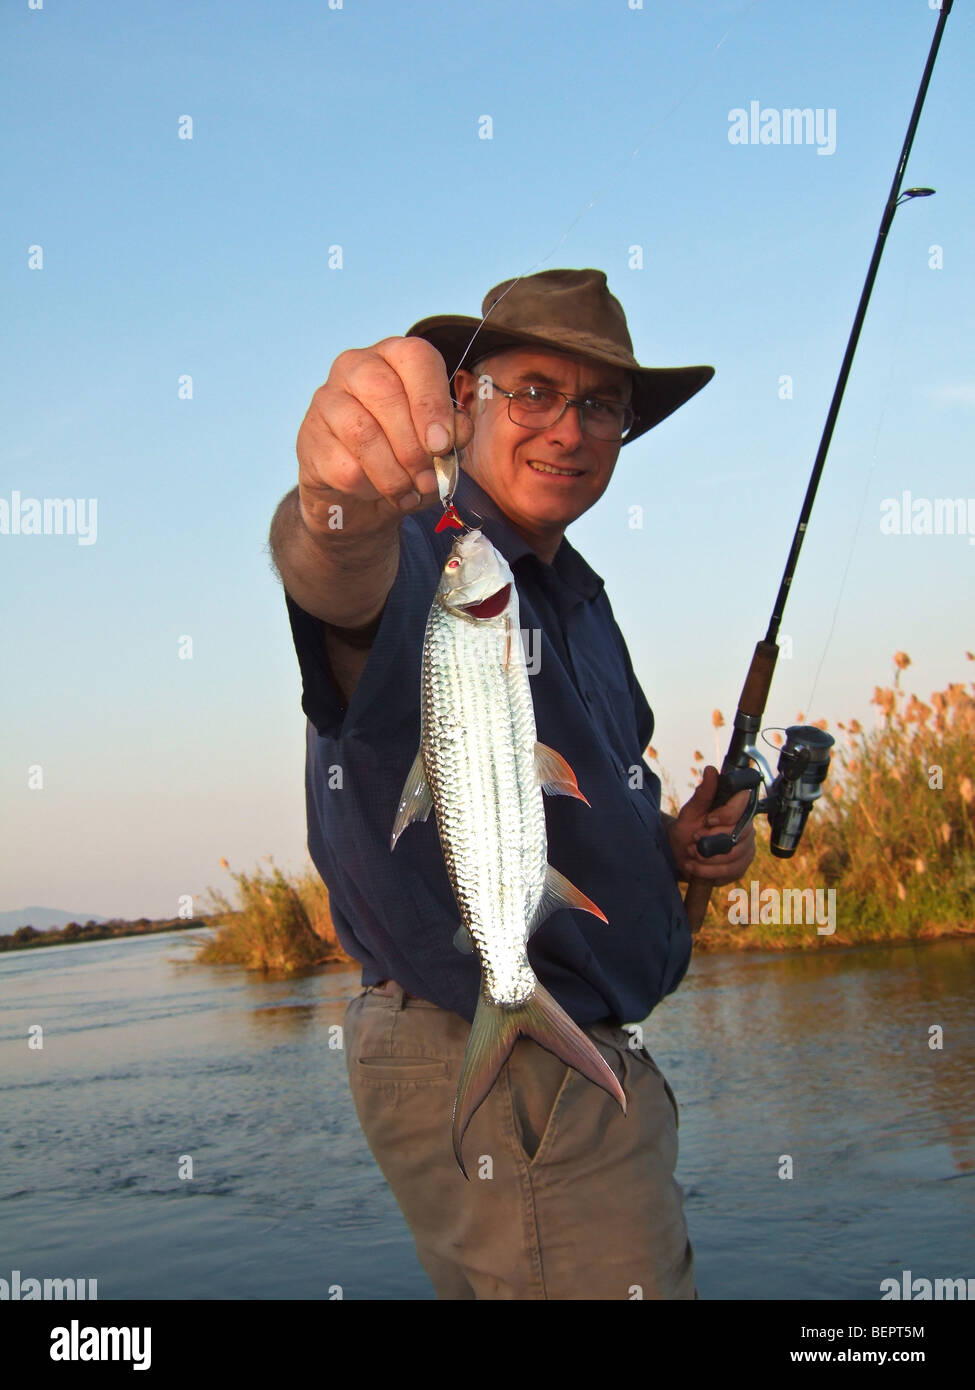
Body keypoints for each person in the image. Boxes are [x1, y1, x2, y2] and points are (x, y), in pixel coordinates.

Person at [269, 268, 756, 1300]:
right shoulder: (424, 551)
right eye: (532, 390)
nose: (568, 430)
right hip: (497, 1062)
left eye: (602, 405)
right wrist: (334, 499)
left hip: (581, 1059)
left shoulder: (579, 598)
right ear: (462, 403)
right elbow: (332, 578)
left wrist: (668, 847)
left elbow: (561, 803)